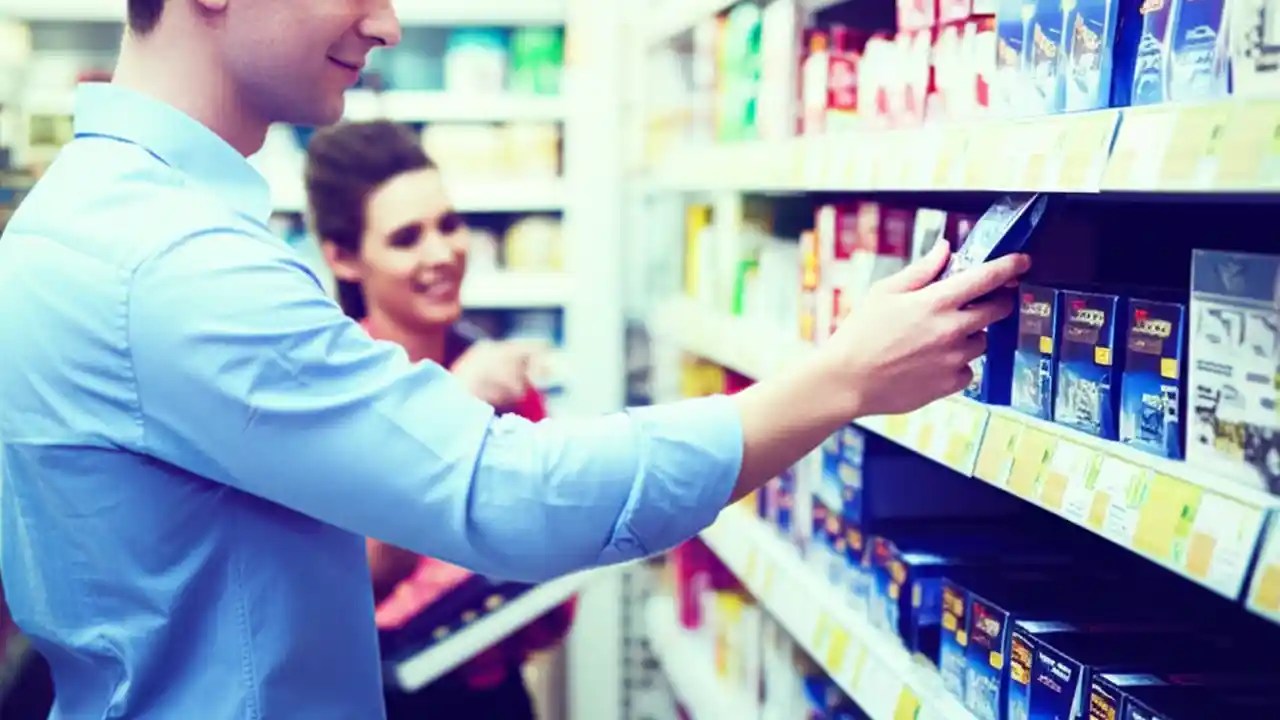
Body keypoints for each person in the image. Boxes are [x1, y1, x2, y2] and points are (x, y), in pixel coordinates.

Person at [0, 0, 1030, 717]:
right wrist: (842, 378)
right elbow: (512, 497)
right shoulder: (176, 262)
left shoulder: (72, 223)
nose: (386, 23)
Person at [305, 119, 574, 719]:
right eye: (406, 238)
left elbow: (549, 593)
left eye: (448, 226)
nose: (442, 253)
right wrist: (454, 408)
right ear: (345, 258)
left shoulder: (497, 373)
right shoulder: (329, 393)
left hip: (490, 697)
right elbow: (340, 587)